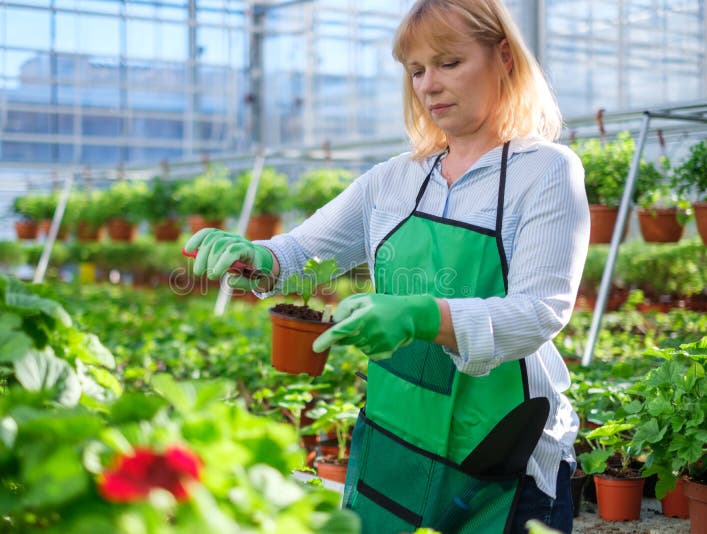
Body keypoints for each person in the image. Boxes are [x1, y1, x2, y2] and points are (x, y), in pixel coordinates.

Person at [185, 0, 589, 532]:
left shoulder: (545, 172)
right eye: (417, 70)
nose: (428, 85)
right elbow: (299, 256)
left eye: (448, 62)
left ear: (504, 58)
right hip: (397, 437)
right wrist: (255, 257)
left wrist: (421, 315)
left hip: (502, 452)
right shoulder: (395, 179)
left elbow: (538, 312)